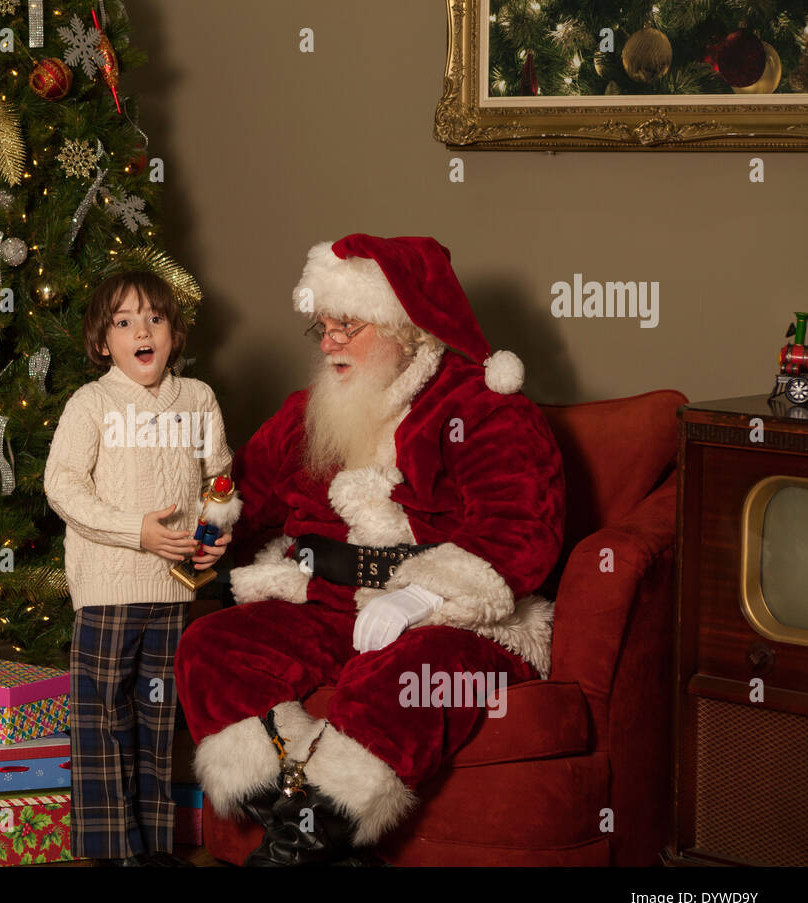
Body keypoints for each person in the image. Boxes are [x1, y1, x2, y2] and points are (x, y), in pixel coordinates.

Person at [173, 234, 566, 865]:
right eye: (321, 329)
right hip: (326, 601)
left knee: (402, 677)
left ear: (404, 329)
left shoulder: (484, 409)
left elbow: (523, 533)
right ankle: (304, 828)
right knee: (211, 647)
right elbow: (245, 493)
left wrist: (418, 595)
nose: (327, 344)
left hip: (458, 619)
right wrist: (205, 528)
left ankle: (299, 847)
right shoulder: (314, 410)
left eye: (346, 327)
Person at [44, 270, 236, 866]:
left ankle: (154, 848)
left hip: (174, 588)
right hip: (106, 587)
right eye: (124, 322)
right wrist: (137, 531)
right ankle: (111, 849)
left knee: (158, 718)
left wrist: (213, 534)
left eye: (153, 318)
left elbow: (219, 481)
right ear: (104, 342)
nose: (141, 330)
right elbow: (62, 486)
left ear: (173, 334)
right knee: (103, 718)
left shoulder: (198, 399)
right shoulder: (92, 403)